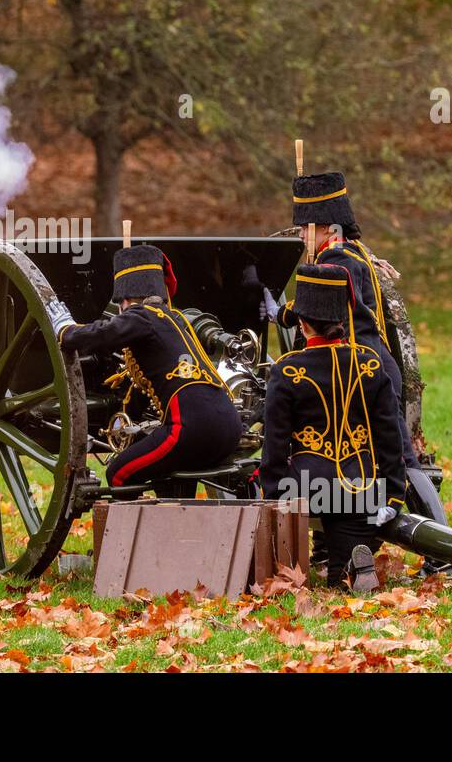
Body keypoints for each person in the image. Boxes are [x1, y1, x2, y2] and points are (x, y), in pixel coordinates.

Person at [45, 244, 243, 494]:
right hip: (230, 427)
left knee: (117, 473)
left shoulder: (139, 315)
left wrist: (66, 329)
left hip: (190, 429)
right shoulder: (177, 319)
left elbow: (100, 335)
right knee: (172, 478)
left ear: (125, 300)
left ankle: (131, 534)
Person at [260, 264, 407, 591]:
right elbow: (389, 436)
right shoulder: (370, 362)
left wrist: (273, 497)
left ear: (302, 323)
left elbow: (274, 446)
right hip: (361, 489)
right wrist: (394, 495)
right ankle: (349, 566)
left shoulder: (286, 370)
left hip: (306, 489)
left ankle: (340, 565)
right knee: (344, 562)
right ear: (342, 321)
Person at [277, 171, 419, 468]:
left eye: (305, 228)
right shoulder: (349, 251)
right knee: (394, 459)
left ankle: (425, 514)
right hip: (369, 367)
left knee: (402, 462)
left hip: (365, 371)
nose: (301, 235)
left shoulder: (338, 259)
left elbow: (318, 303)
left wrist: (282, 313)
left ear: (327, 228)